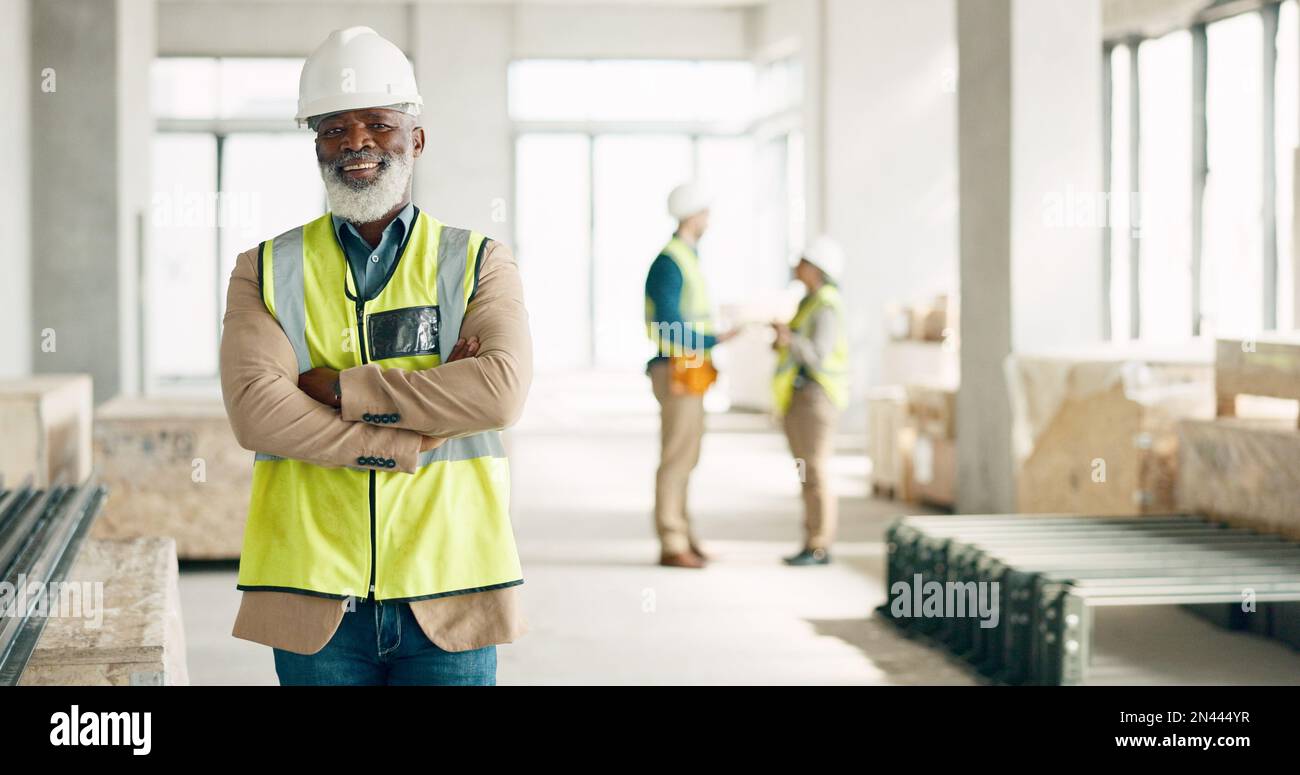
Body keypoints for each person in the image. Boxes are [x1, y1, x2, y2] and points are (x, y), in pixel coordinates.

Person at [219, 26, 532, 685]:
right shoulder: (266, 269)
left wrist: (341, 389)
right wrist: (418, 425)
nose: (355, 143)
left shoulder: (478, 262)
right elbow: (256, 413)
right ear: (316, 147)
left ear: (415, 140)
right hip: (313, 597)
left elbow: (499, 392)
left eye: (377, 123)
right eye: (333, 129)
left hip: (452, 587)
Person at [643, 182, 739, 568]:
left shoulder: (686, 257)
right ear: (693, 215)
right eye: (706, 212)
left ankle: (685, 534)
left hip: (692, 371)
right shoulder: (671, 261)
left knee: (688, 456)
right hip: (677, 370)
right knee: (676, 457)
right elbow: (669, 325)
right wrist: (717, 337)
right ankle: (672, 541)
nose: (709, 219)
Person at [771, 236, 850, 566]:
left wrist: (791, 339)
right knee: (806, 472)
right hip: (800, 397)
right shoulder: (809, 301)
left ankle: (819, 544)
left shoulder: (827, 304)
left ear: (817, 269)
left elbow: (817, 354)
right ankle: (811, 539)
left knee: (814, 471)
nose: (796, 267)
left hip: (817, 399)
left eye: (803, 262)